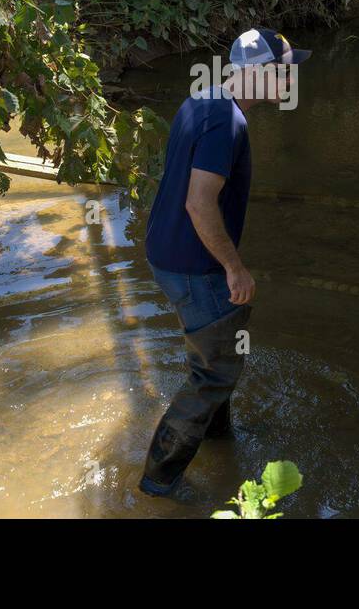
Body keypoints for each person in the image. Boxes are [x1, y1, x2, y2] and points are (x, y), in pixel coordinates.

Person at [139, 28, 311, 497]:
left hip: (168, 255)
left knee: (218, 354)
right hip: (195, 267)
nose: (292, 78)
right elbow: (199, 203)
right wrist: (235, 268)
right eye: (286, 69)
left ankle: (218, 441)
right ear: (257, 71)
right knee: (215, 371)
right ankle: (159, 480)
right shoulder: (227, 122)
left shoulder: (204, 100)